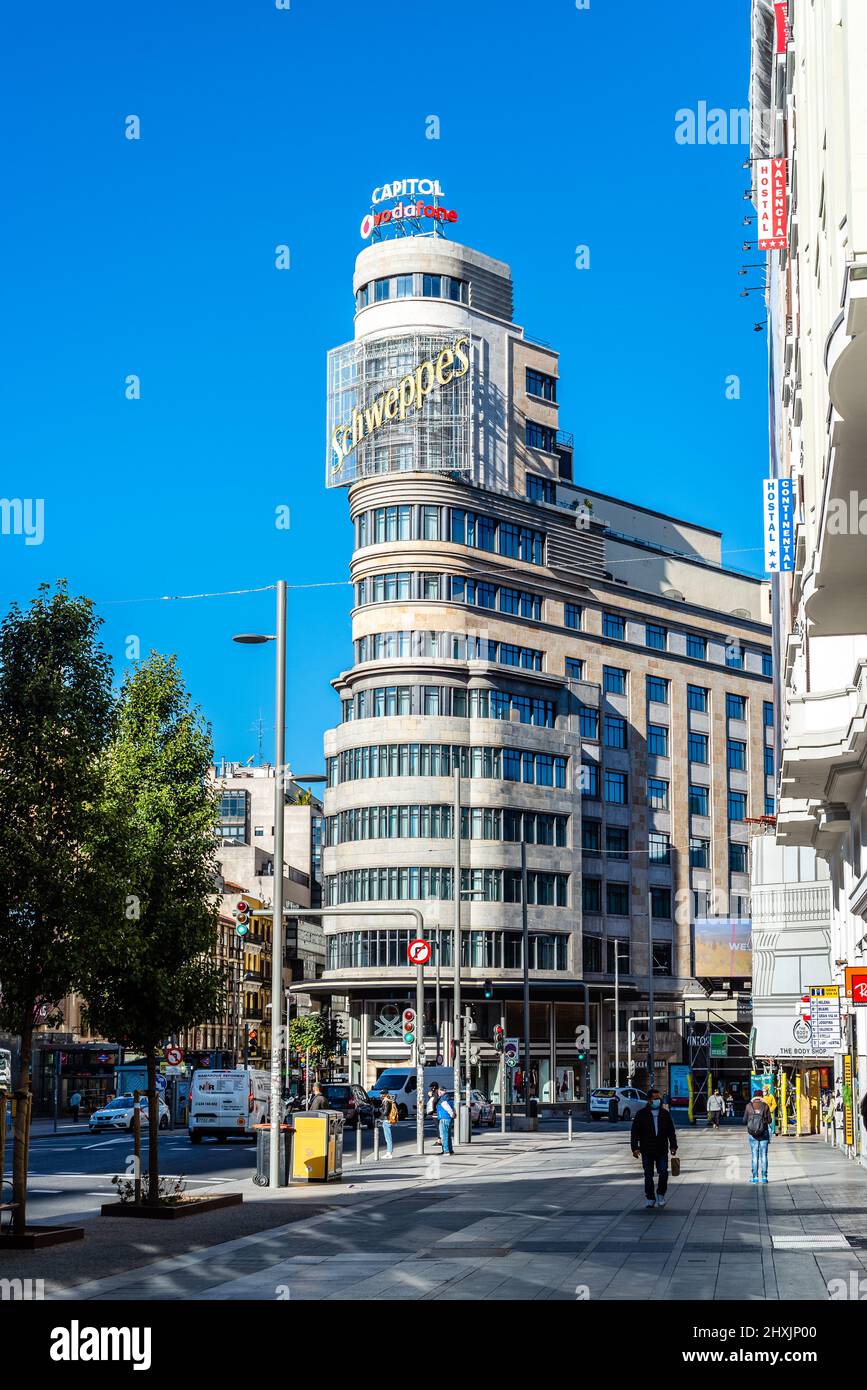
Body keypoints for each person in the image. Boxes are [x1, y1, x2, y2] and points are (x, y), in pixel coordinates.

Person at [631, 1088, 678, 1209]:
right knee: (648, 1175)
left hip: (661, 1149)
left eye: (659, 1098)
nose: (658, 1100)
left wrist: (673, 1146)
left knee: (663, 1173)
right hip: (647, 1149)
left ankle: (661, 1194)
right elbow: (635, 1132)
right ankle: (650, 1197)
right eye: (655, 1098)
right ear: (649, 1100)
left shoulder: (665, 1114)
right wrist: (635, 1148)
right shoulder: (641, 1114)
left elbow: (671, 1132)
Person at [745, 1091, 773, 1182]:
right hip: (764, 1133)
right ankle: (764, 1177)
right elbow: (769, 1120)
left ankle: (755, 1177)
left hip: (753, 1134)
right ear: (761, 1096)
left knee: (754, 1155)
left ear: (754, 1096)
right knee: (764, 1155)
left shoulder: (749, 1106)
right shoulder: (765, 1106)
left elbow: (744, 1120)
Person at [436, 1087, 456, 1156]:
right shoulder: (448, 1098)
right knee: (447, 1135)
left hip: (444, 1118)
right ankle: (450, 1150)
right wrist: (453, 1114)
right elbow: (452, 1107)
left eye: (439, 1092)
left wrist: (452, 1114)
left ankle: (446, 1151)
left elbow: (447, 1107)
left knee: (444, 1135)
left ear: (441, 1092)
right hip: (448, 1118)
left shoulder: (443, 1099)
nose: (438, 1094)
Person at [379, 1088, 397, 1158]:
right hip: (387, 1120)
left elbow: (386, 1113)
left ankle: (389, 1153)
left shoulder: (386, 1101)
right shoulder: (389, 1100)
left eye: (383, 1094)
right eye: (381, 1094)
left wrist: (380, 1110)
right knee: (388, 1137)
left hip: (386, 1121)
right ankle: (388, 1152)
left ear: (386, 1094)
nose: (381, 1095)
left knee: (388, 1138)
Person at [427, 1083, 443, 1150]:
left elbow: (433, 1101)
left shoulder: (435, 1094)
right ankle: (440, 1140)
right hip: (437, 1112)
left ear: (434, 1087)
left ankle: (440, 1141)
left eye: (431, 1087)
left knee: (438, 1127)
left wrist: (430, 1096)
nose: (430, 1089)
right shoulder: (438, 1093)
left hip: (436, 1113)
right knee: (439, 1127)